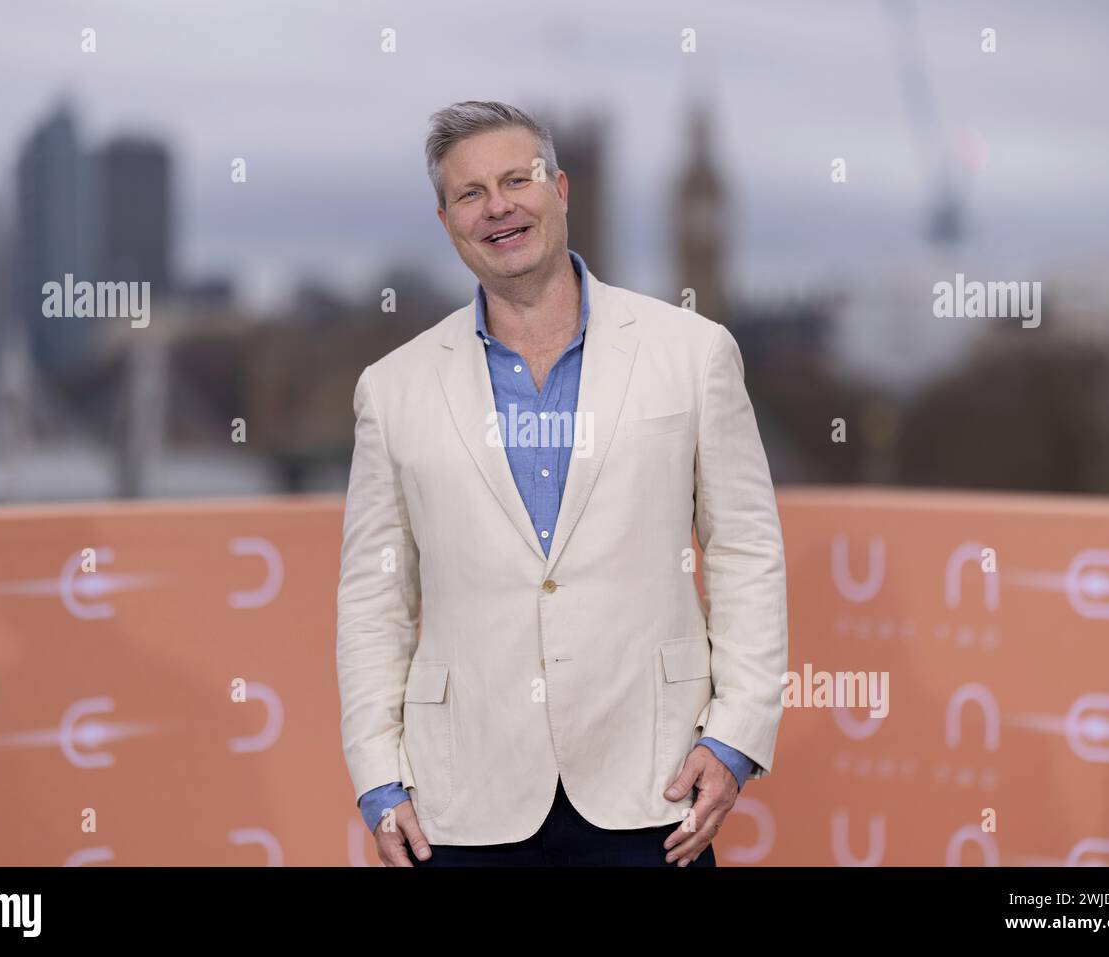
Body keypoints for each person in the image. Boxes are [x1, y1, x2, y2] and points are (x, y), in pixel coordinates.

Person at [336, 100, 787, 867]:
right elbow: (374, 598)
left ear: (562, 190)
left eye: (518, 179)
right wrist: (380, 780)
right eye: (471, 193)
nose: (499, 206)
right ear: (446, 220)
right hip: (462, 802)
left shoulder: (694, 353)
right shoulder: (393, 388)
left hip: (654, 786)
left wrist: (735, 735)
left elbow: (745, 551)